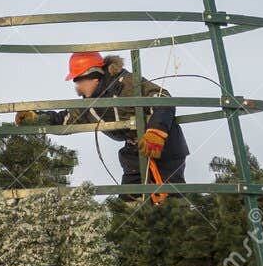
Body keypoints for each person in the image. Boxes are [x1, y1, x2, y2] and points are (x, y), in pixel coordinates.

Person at [16, 51, 187, 198]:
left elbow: (163, 99)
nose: (77, 86)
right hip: (135, 152)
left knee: (171, 202)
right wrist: (36, 118)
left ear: (93, 76)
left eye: (78, 80)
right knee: (130, 203)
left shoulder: (127, 84)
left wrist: (156, 132)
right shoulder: (90, 105)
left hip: (165, 145)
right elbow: (65, 119)